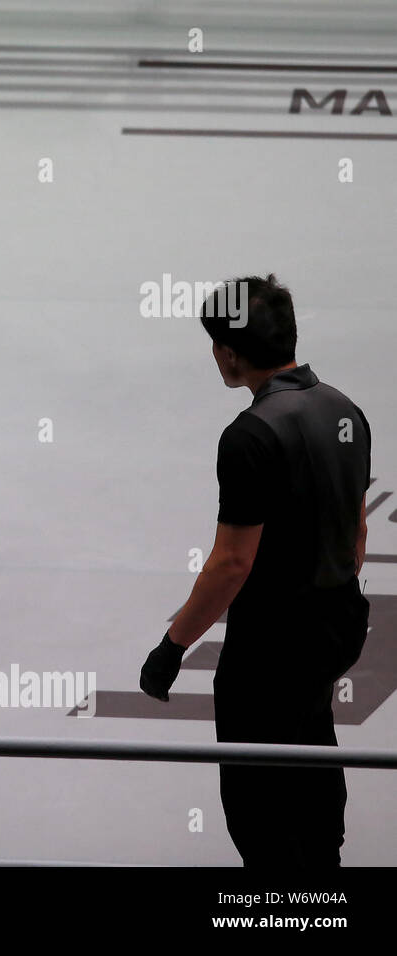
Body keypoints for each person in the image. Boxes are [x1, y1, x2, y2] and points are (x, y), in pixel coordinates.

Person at [140, 274, 371, 866]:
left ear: (229, 352)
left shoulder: (249, 437)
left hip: (272, 644)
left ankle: (277, 897)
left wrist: (173, 645)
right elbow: (356, 532)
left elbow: (231, 563)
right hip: (339, 621)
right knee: (312, 737)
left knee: (258, 795)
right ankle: (323, 871)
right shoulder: (346, 410)